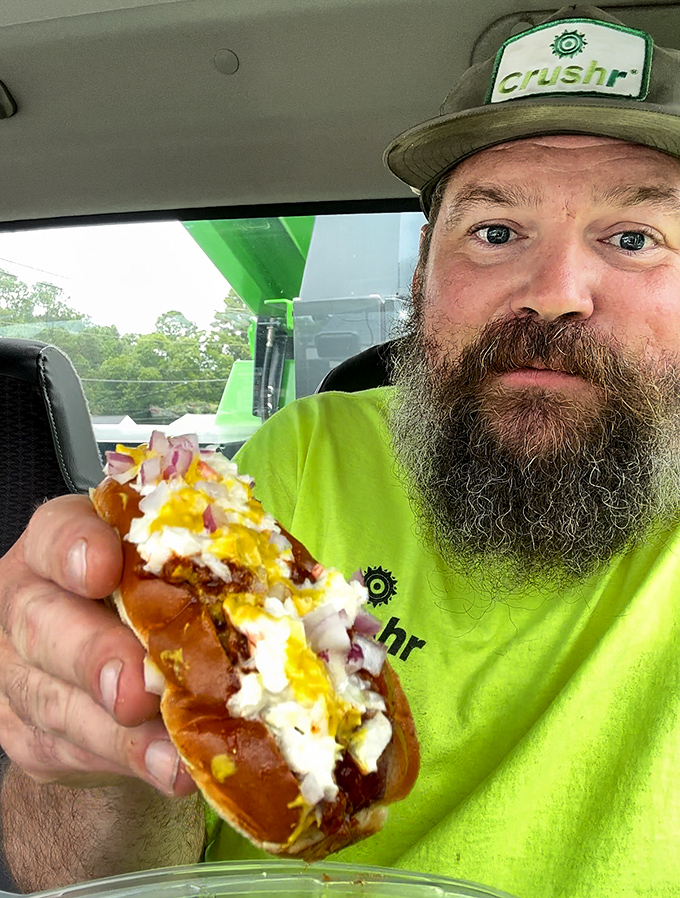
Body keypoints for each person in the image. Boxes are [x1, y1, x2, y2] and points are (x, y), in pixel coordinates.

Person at [3, 4, 680, 896]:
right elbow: (75, 876)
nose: (554, 292)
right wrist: (97, 753)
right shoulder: (304, 451)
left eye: (633, 239)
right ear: (422, 274)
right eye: (494, 232)